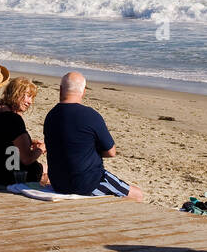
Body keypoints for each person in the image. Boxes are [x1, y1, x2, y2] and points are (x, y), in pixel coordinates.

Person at [42, 72, 143, 200]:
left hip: (58, 183)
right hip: (87, 183)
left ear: (61, 89)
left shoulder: (51, 116)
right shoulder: (90, 115)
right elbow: (111, 152)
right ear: (83, 91)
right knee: (137, 195)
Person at [0, 76, 48, 185]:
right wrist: (41, 149)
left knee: (46, 168)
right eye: (28, 96)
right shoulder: (13, 119)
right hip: (12, 175)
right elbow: (27, 159)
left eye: (32, 98)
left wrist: (29, 142)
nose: (30, 102)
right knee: (54, 172)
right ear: (16, 94)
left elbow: (3, 140)